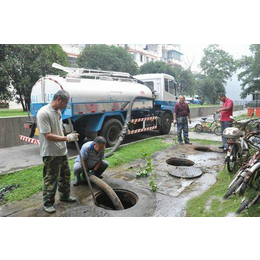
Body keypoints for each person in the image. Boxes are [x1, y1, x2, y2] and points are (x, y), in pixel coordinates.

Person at [37, 90, 79, 213]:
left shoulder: (58, 111)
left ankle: (64, 196)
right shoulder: (43, 113)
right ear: (59, 99)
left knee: (65, 176)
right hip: (51, 153)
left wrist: (67, 133)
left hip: (62, 150)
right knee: (51, 179)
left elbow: (58, 129)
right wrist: (67, 138)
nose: (66, 105)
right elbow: (48, 135)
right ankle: (48, 203)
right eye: (65, 102)